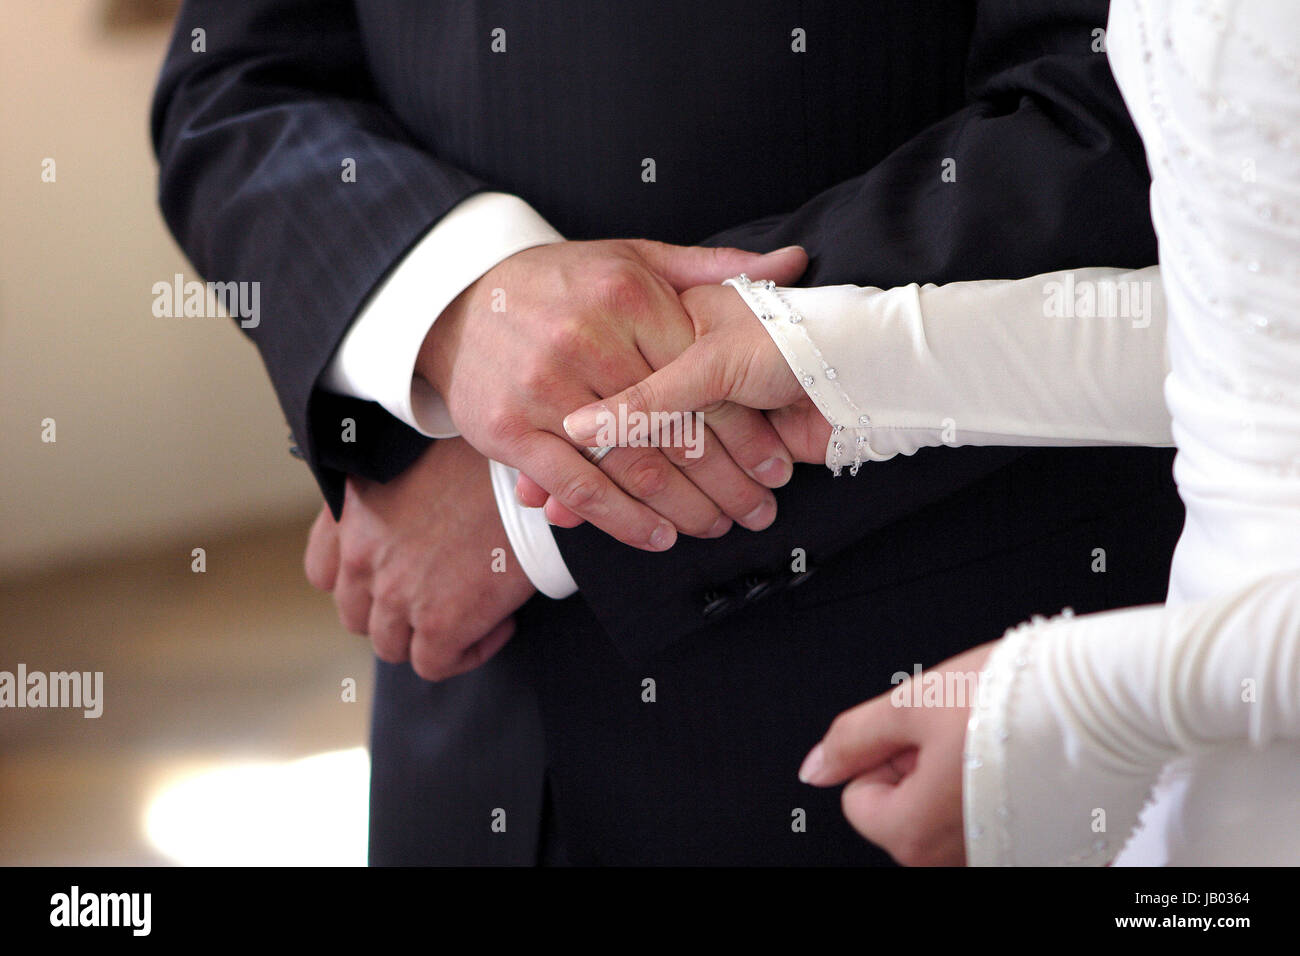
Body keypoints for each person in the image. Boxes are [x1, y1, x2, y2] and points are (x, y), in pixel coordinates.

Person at [151, 0, 1183, 864]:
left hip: (885, 695)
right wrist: (451, 308)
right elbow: (232, 85)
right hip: (463, 728)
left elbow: (1108, 122)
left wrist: (526, 497)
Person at [567, 0, 1300, 864]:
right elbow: (1255, 333)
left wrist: (1124, 689)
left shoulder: (1148, 687)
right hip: (1211, 681)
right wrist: (849, 359)